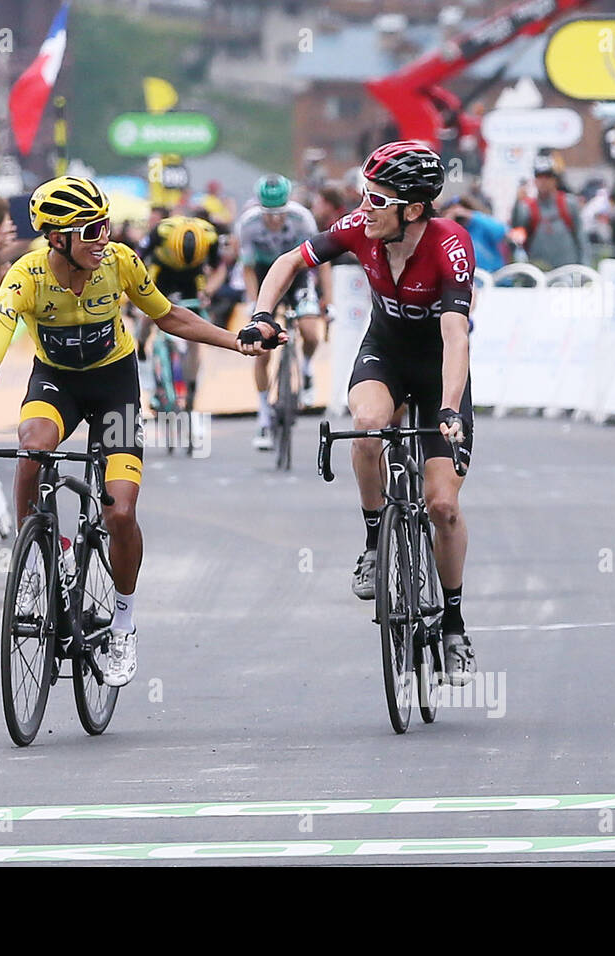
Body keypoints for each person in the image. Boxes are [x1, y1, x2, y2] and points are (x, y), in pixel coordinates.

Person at [0, 176, 280, 687]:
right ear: (56, 237)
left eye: (104, 225)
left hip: (114, 386)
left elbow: (169, 315)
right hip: (56, 381)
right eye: (89, 230)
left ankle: (123, 622)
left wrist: (234, 342)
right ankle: (35, 559)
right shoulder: (26, 277)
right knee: (31, 447)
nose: (101, 237)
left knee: (121, 510)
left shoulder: (120, 262)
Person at [252, 142, 477, 686]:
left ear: (414, 209)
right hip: (385, 352)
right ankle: (376, 541)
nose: (364, 206)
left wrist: (448, 407)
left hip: (438, 366)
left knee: (442, 505)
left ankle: (453, 623)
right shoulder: (362, 227)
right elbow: (288, 262)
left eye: (378, 198)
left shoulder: (450, 246)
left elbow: (454, 336)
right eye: (364, 195)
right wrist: (261, 315)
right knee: (368, 428)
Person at [235, 174, 330, 448]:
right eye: (269, 213)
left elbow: (321, 263)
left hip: (298, 275)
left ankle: (307, 368)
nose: (275, 219)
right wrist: (256, 306)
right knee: (261, 349)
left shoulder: (302, 219)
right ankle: (264, 417)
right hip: (267, 278)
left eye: (280, 213)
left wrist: (328, 300)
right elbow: (249, 269)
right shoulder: (248, 225)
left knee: (311, 333)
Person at [139, 215, 225, 412]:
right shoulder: (161, 232)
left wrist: (208, 291)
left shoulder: (210, 236)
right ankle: (142, 347)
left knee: (195, 333)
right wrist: (139, 293)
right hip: (160, 273)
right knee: (148, 317)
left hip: (192, 279)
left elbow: (219, 269)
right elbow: (135, 261)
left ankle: (191, 384)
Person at [511, 155, 586, 270]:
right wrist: (517, 202)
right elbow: (516, 234)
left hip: (567, 269)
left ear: (555, 180)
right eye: (539, 177)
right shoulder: (527, 207)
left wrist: (584, 268)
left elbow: (581, 238)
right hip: (539, 270)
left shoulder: (569, 203)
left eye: (548, 177)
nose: (543, 181)